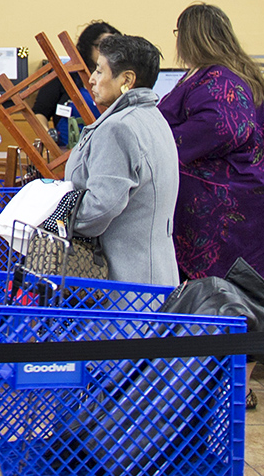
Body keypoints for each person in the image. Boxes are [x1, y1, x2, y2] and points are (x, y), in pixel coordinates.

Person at [159, 3, 264, 410]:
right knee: (247, 292)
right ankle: (234, 384)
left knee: (242, 296)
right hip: (252, 201)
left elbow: (220, 128)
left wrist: (157, 146)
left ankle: (237, 387)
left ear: (192, 36)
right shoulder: (230, 73)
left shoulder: (221, 79)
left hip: (236, 210)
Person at [65, 34, 179, 287]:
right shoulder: (153, 118)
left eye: (99, 71)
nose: (91, 80)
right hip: (155, 271)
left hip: (124, 280)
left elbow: (100, 207)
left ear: (127, 79)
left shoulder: (119, 128)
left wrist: (58, 214)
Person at [33, 20, 122, 146]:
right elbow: (39, 113)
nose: (107, 53)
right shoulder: (64, 77)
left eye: (113, 48)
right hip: (67, 153)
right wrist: (48, 138)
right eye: (101, 46)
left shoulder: (119, 79)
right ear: (87, 47)